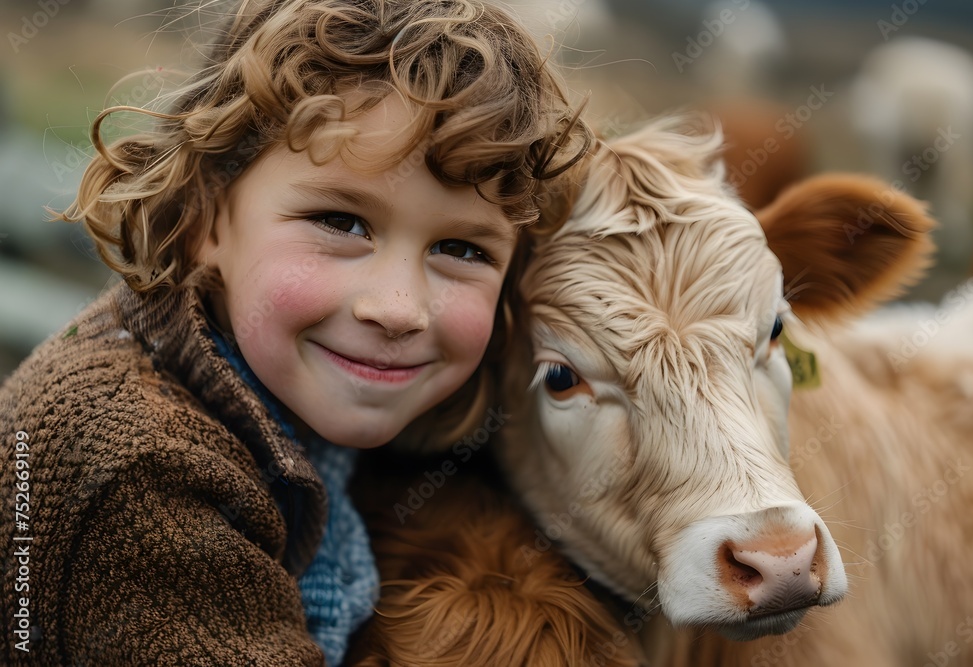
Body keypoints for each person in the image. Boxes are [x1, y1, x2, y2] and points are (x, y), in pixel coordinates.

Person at [0, 0, 591, 664]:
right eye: (341, 223)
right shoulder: (144, 467)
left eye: (462, 248)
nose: (399, 307)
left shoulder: (283, 381)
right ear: (206, 219)